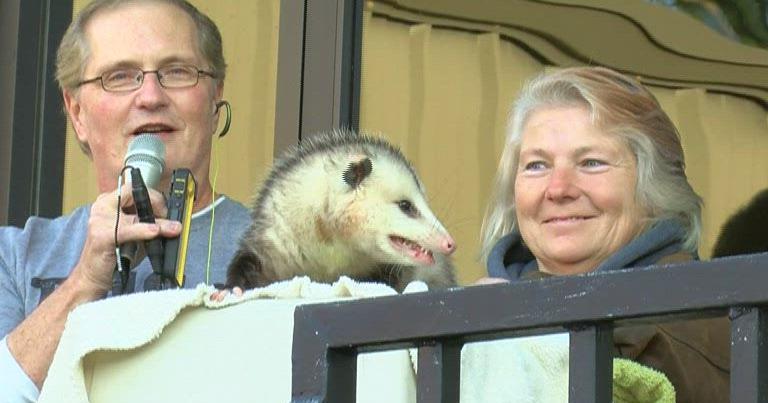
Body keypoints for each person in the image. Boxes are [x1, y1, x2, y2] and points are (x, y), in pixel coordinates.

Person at [0, 0, 250, 400]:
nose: (151, 96)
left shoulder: (284, 250)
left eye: (177, 72)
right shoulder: (13, 256)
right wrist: (85, 282)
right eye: (120, 76)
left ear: (215, 97)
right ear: (76, 112)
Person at [479, 66, 729, 403]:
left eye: (591, 162)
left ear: (655, 192)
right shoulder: (463, 316)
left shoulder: (689, 334)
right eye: (537, 165)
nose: (558, 189)